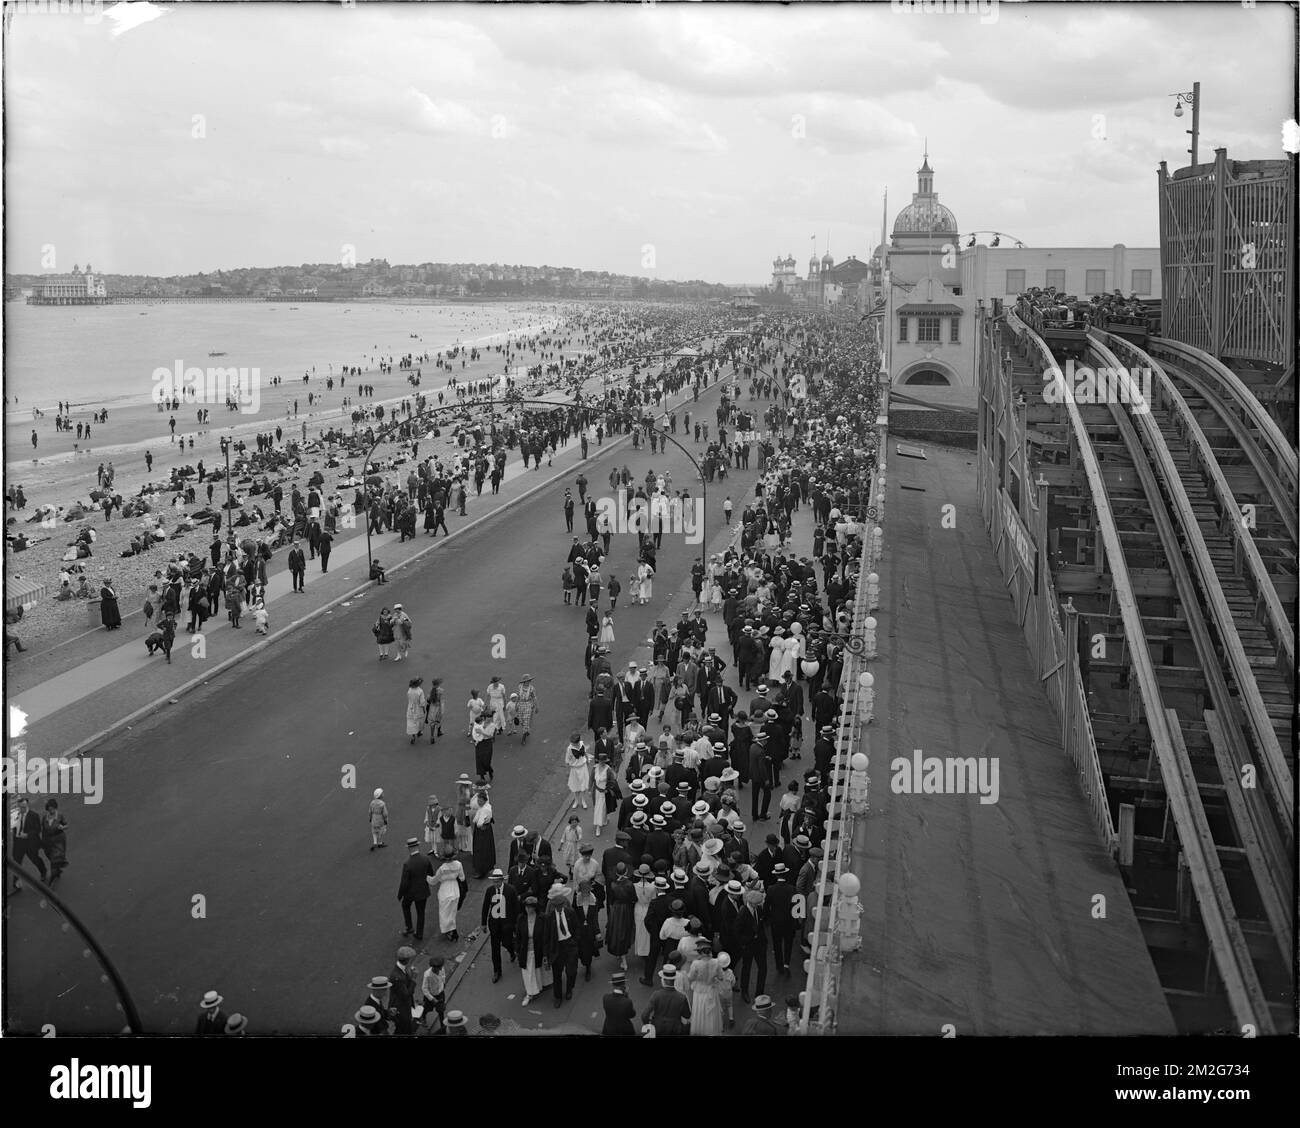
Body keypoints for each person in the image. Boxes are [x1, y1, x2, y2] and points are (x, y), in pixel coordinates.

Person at [543, 889, 581, 1008]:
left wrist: (574, 942)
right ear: (553, 906)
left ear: (564, 904)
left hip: (570, 945)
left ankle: (569, 989)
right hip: (557, 947)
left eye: (560, 905)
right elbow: (546, 937)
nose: (559, 908)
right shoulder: (549, 918)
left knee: (571, 971)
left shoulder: (570, 912)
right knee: (557, 974)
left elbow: (577, 928)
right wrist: (545, 955)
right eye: (556, 906)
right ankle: (558, 997)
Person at [481, 868, 519, 983]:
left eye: (498, 881)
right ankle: (497, 971)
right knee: (495, 948)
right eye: (494, 881)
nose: (496, 884)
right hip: (494, 924)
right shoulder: (490, 891)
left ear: (502, 880)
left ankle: (512, 951)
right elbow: (485, 906)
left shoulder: (510, 890)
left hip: (507, 924)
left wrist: (515, 924)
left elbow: (516, 908)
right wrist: (483, 923)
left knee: (507, 942)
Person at [397, 837, 435, 941]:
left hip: (410, 893)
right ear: (418, 846)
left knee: (405, 905)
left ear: (409, 849)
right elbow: (431, 873)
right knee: (421, 912)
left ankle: (409, 927)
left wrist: (400, 894)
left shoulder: (407, 864)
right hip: (423, 891)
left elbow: (404, 882)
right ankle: (419, 933)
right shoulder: (425, 859)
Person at [686, 940, 724, 1035]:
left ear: (701, 952)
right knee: (711, 1013)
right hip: (711, 990)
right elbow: (721, 977)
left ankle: (700, 1031)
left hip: (699, 990)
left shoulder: (696, 964)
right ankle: (711, 1031)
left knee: (700, 1010)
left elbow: (690, 977)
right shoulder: (716, 962)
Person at [514, 895, 547, 1006]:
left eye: (530, 907)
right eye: (526, 907)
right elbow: (517, 936)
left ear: (534, 907)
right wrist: (517, 950)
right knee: (527, 972)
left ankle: (537, 987)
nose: (527, 909)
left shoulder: (542, 918)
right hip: (525, 950)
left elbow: (545, 936)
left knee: (537, 970)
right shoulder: (521, 918)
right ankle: (530, 993)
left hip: (538, 950)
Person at [431, 844, 467, 941]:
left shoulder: (442, 868)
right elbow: (462, 878)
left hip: (445, 890)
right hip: (455, 889)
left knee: (444, 913)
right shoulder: (458, 865)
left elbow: (434, 881)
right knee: (452, 912)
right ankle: (453, 930)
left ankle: (449, 931)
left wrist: (426, 877)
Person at [641, 964, 691, 1035]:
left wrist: (647, 1025)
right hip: (675, 1028)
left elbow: (644, 1015)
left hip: (657, 1026)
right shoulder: (682, 997)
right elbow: (687, 1015)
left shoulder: (656, 995)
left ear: (663, 980)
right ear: (674, 980)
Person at [11, 796, 47, 888]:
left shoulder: (34, 815)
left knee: (35, 859)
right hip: (18, 844)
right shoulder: (15, 816)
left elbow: (38, 829)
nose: (21, 809)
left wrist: (27, 835)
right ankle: (16, 882)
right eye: (20, 807)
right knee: (16, 863)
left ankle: (43, 871)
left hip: (29, 843)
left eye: (23, 807)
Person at [470, 787, 496, 879]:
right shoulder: (487, 806)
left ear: (484, 800)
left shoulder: (484, 810)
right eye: (478, 800)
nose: (478, 802)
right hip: (487, 829)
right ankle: (488, 866)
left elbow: (479, 823)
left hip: (482, 831)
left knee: (480, 849)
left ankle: (481, 870)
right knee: (487, 848)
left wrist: (478, 823)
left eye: (480, 800)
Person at [602, 971, 637, 1035]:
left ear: (613, 985)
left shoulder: (605, 998)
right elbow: (632, 1014)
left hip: (609, 1028)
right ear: (623, 985)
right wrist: (626, 996)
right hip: (624, 1030)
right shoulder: (627, 1002)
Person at [420, 956, 447, 1033]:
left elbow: (443, 975)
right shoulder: (427, 975)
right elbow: (424, 989)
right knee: (427, 1008)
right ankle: (423, 1017)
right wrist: (432, 999)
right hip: (431, 996)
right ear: (434, 968)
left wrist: (444, 983)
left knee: (441, 1011)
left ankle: (443, 1027)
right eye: (439, 968)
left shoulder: (441, 968)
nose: (441, 969)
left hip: (440, 994)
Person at [565, 733, 590, 809]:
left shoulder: (582, 744)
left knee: (583, 785)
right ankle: (576, 801)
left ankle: (583, 800)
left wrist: (587, 760)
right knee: (575, 785)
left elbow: (585, 752)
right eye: (572, 743)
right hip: (575, 769)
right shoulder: (569, 749)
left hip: (583, 767)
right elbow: (567, 760)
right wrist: (567, 771)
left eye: (574, 743)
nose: (573, 744)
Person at [515, 675, 538, 744]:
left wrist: (537, 706)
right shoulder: (519, 687)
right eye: (527, 681)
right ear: (524, 682)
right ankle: (527, 730)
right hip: (521, 704)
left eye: (529, 681)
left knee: (526, 721)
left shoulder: (532, 688)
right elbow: (518, 697)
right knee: (521, 721)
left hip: (528, 705)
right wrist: (516, 705)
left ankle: (524, 738)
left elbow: (534, 697)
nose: (528, 682)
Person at [405, 677, 427, 744]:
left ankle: (413, 736)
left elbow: (408, 698)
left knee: (411, 722)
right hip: (418, 708)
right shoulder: (420, 691)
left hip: (410, 708)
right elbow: (422, 702)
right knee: (419, 721)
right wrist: (424, 709)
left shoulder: (410, 690)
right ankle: (419, 732)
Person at [425, 677, 445, 745]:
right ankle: (439, 731)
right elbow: (441, 701)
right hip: (438, 708)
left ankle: (432, 736)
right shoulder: (441, 691)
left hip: (432, 709)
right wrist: (442, 710)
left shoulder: (431, 690)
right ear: (438, 684)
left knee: (432, 723)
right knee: (439, 720)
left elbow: (428, 699)